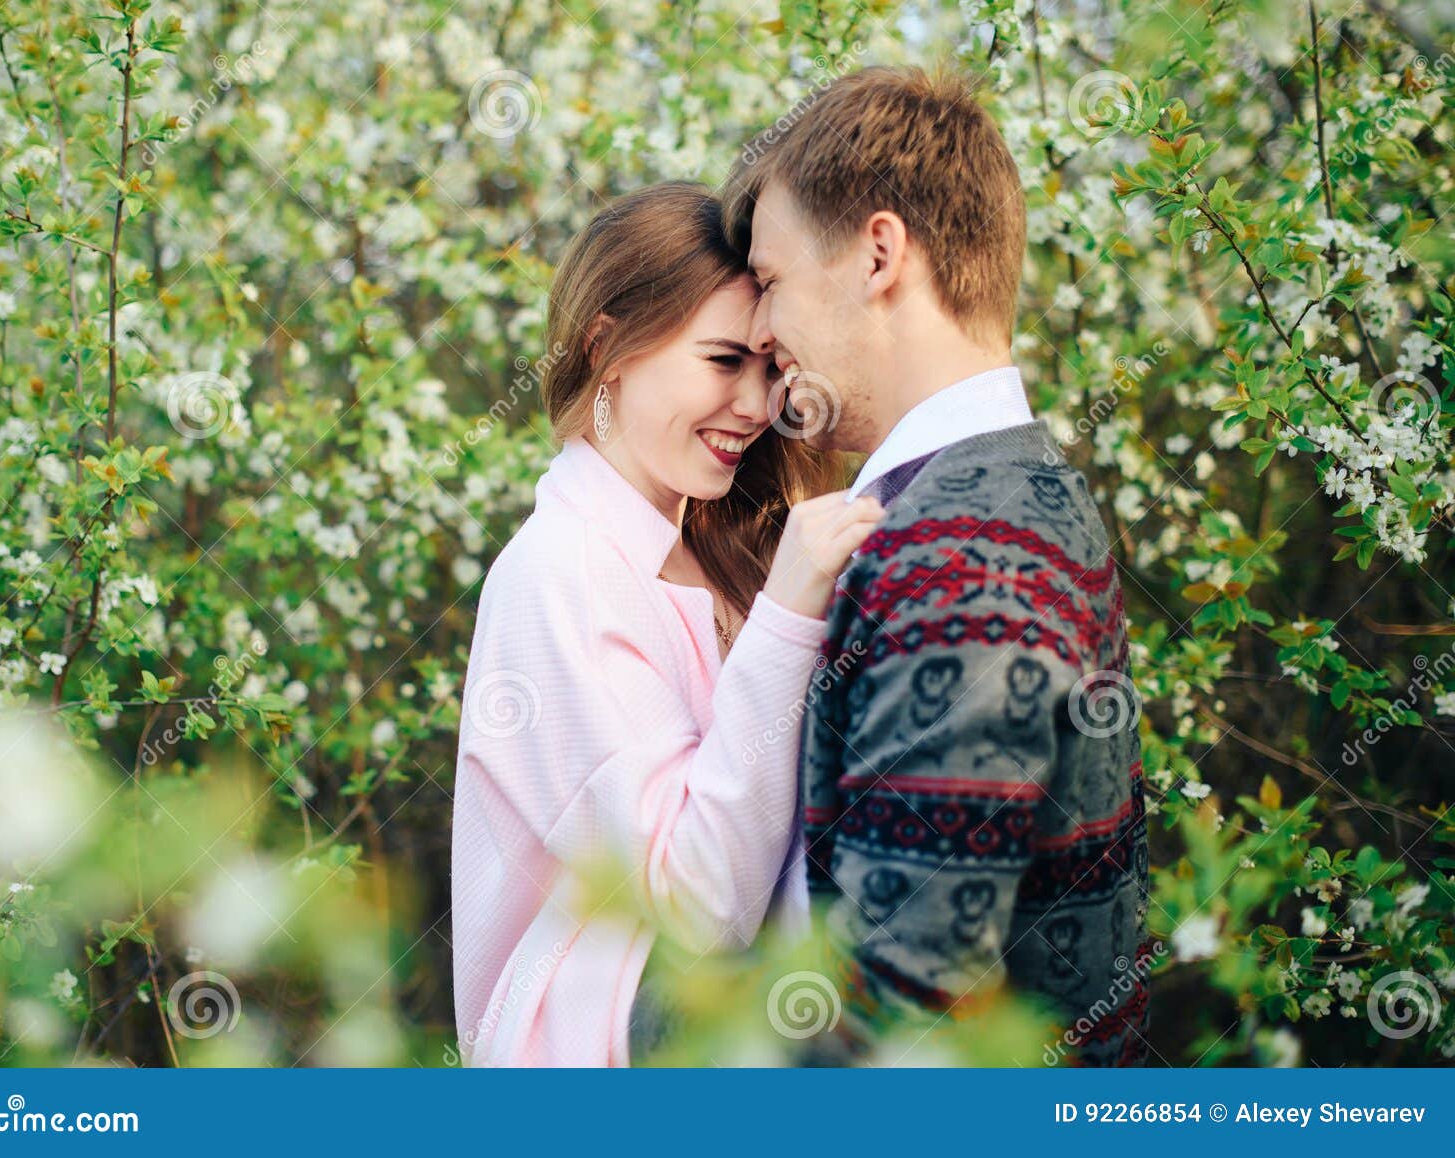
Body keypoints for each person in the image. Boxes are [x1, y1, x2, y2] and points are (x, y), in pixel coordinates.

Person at [721, 65, 1151, 1065]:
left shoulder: (958, 559)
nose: (756, 330)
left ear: (878, 253)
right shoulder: (1006, 492)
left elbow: (895, 1015)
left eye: (771, 281)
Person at [450, 181, 882, 1066]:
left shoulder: (704, 543)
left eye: (769, 368)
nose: (758, 407)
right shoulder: (557, 575)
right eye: (724, 362)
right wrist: (789, 614)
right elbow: (695, 906)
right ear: (610, 347)